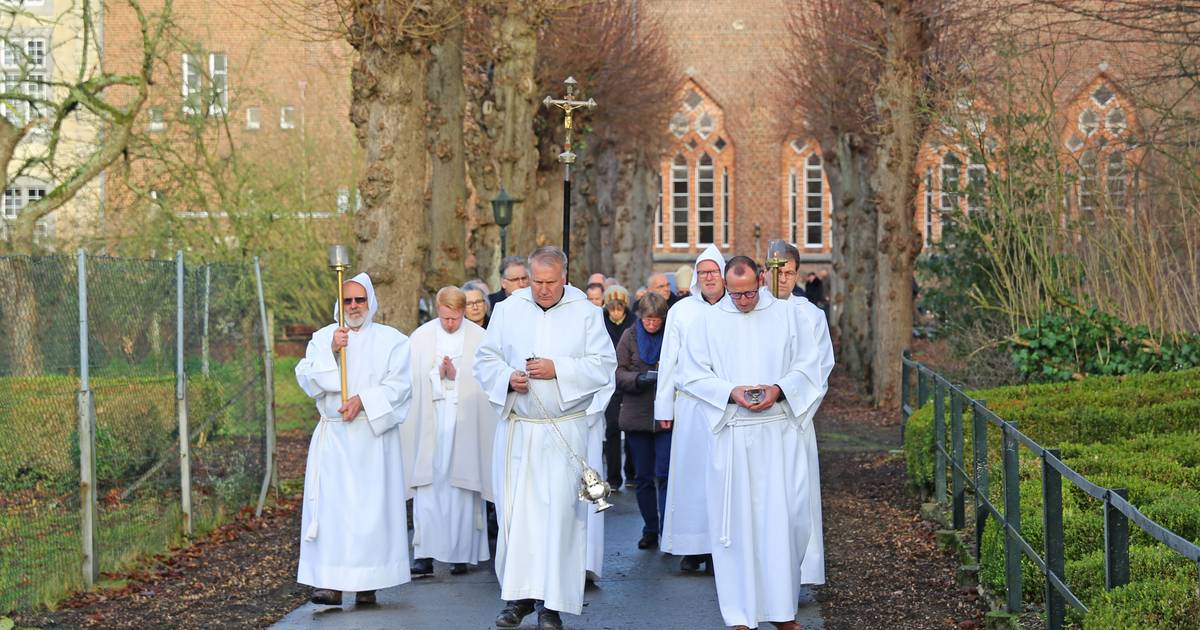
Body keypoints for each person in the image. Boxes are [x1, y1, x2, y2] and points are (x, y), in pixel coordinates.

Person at [678, 256, 830, 630]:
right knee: (737, 528)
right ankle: (741, 615)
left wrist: (779, 389)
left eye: (749, 293)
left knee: (787, 522)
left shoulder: (786, 316)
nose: (743, 301)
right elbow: (691, 374)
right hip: (734, 434)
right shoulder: (709, 321)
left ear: (761, 280)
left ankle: (782, 611)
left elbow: (810, 366)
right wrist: (731, 392)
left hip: (778, 432)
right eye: (736, 294)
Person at [473, 246, 617, 630]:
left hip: (562, 429)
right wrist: (508, 377)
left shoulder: (586, 312)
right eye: (536, 282)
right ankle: (516, 599)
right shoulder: (508, 310)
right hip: (519, 431)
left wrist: (559, 369)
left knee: (559, 520)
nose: (542, 290)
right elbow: (485, 359)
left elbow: (604, 366)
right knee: (518, 518)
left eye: (551, 283)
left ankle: (551, 605)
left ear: (565, 278)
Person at [294, 273, 413, 607]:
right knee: (334, 510)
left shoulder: (393, 341)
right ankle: (330, 583)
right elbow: (306, 378)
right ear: (339, 303)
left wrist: (363, 400)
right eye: (347, 300)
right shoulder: (322, 337)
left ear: (370, 301)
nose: (354, 306)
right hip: (334, 436)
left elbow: (401, 387)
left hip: (371, 436)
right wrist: (331, 351)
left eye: (360, 300)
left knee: (369, 511)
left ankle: (367, 582)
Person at [401, 287, 498, 578]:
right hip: (430, 420)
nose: (450, 324)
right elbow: (408, 379)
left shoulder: (480, 339)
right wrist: (434, 376)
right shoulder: (420, 338)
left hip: (464, 420)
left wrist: (459, 377)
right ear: (437, 310)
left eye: (455, 318)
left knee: (461, 489)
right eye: (445, 317)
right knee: (428, 487)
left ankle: (461, 553)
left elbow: (487, 380)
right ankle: (425, 555)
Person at [655, 244, 726, 573]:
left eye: (713, 272)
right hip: (691, 407)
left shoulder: (735, 309)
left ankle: (717, 548)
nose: (708, 278)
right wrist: (663, 408)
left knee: (722, 477)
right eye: (703, 273)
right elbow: (668, 360)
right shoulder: (681, 312)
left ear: (723, 274)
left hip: (726, 405)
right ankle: (690, 545)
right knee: (689, 477)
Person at [771, 243, 836, 588]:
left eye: (789, 272)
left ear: (797, 274)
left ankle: (802, 570)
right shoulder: (749, 311)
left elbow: (821, 368)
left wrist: (795, 407)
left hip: (795, 419)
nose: (782, 278)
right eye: (776, 270)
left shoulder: (811, 315)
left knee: (799, 499)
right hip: (754, 421)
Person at [615, 292, 670, 550]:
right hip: (637, 413)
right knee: (644, 476)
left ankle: (669, 528)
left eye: (656, 320)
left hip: (665, 414)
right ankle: (650, 528)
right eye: (648, 320)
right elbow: (617, 372)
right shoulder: (630, 336)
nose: (652, 325)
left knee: (666, 473)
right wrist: (638, 380)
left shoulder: (671, 335)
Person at [601, 285, 634, 489]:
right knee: (612, 429)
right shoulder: (600, 322)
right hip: (609, 382)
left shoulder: (633, 322)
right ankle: (613, 478)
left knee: (631, 428)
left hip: (629, 379)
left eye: (619, 306)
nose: (616, 311)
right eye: (612, 307)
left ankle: (631, 473)